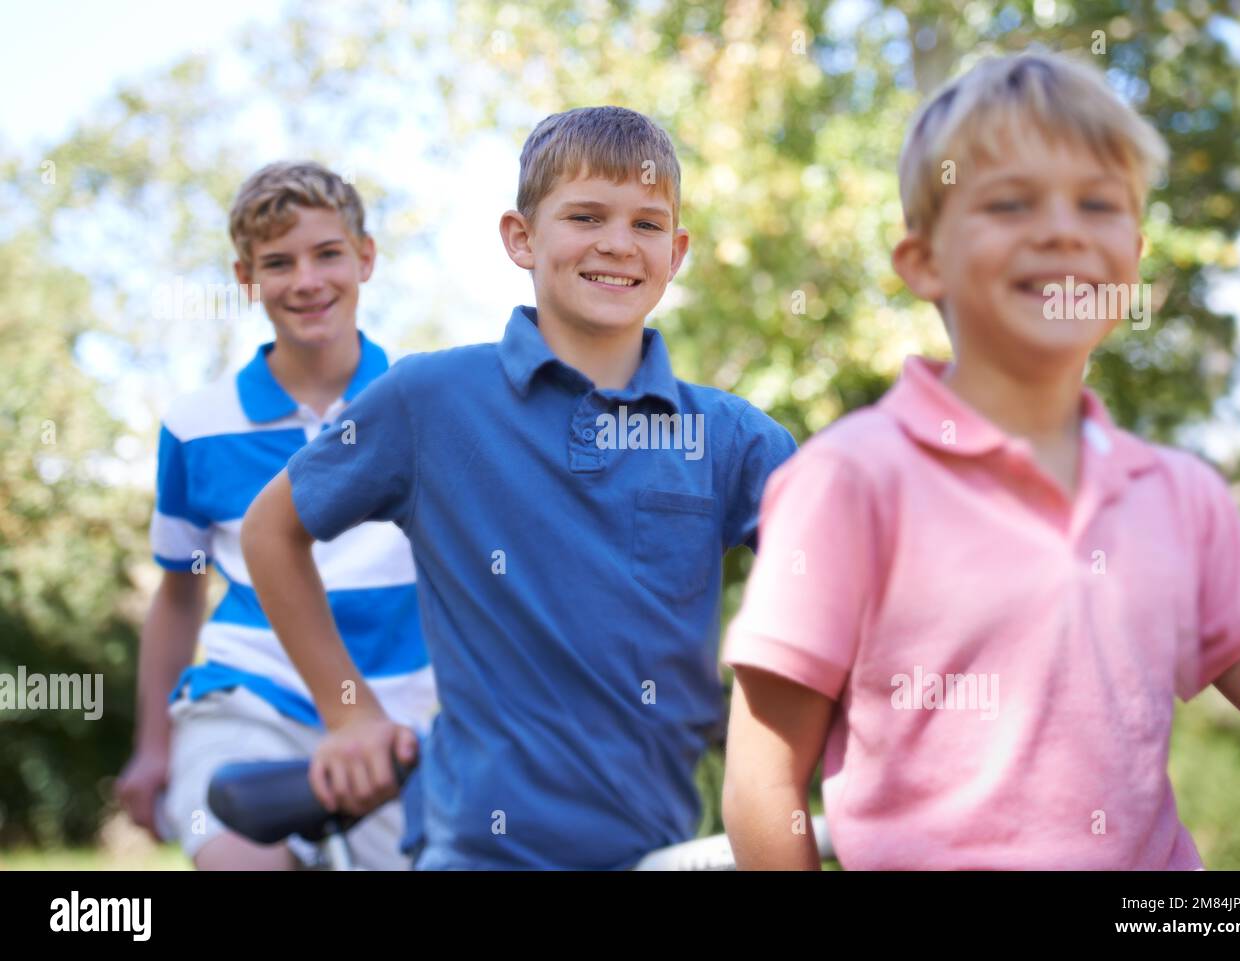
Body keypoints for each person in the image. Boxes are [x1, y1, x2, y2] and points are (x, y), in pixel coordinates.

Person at [721, 51, 1240, 870]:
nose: (1062, 229)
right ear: (923, 262)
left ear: (1132, 260)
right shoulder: (847, 482)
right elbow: (761, 783)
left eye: (1096, 203)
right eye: (1011, 202)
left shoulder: (1180, 497)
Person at [241, 106, 798, 869]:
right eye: (585, 215)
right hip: (479, 851)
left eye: (646, 223)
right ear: (521, 237)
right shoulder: (430, 400)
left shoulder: (734, 439)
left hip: (668, 849)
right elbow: (270, 531)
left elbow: (849, 582)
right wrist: (350, 715)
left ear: (677, 250)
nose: (616, 242)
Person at [116, 161, 436, 870]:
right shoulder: (197, 426)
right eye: (278, 263)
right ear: (246, 280)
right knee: (238, 859)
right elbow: (178, 595)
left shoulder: (426, 405)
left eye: (328, 253)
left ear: (366, 257)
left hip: (399, 720)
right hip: (248, 700)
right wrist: (152, 746)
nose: (307, 280)